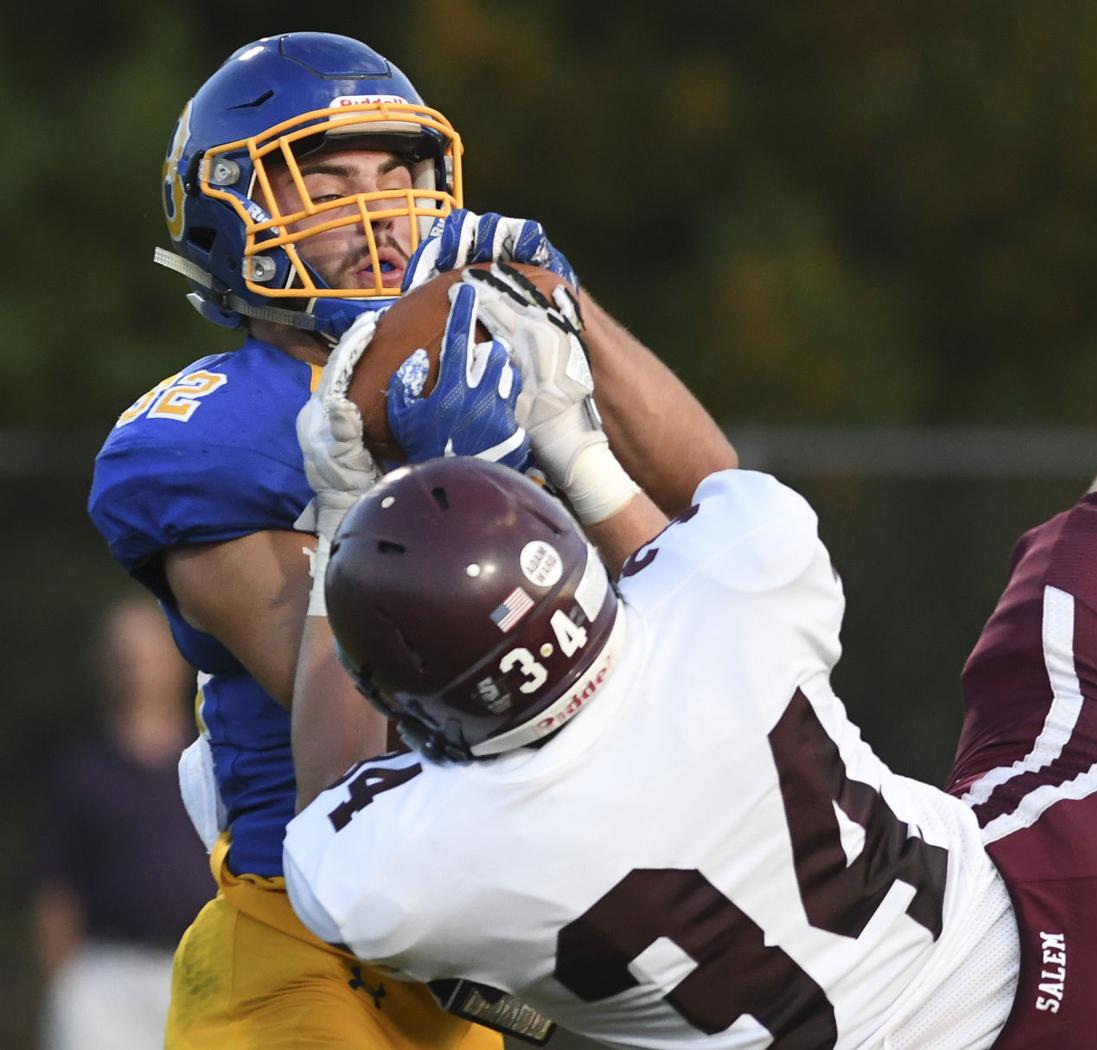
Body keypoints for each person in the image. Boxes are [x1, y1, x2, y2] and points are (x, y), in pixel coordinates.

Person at [281, 33, 1097, 1048]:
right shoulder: (724, 606)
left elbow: (330, 802)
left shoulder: (420, 870)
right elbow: (711, 500)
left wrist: (337, 517)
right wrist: (568, 380)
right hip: (1060, 956)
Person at [87, 30, 735, 1050]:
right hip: (311, 959)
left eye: (397, 176)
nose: (378, 211)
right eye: (327, 184)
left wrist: (568, 318)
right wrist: (425, 490)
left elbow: (726, 525)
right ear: (230, 214)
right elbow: (366, 756)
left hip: (499, 959)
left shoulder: (486, 357)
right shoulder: (209, 439)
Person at [31, 597, 215, 1050]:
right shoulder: (81, 774)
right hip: (106, 981)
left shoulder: (212, 765)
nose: (137, 670)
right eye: (125, 657)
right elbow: (55, 892)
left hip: (203, 973)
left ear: (177, 660)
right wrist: (65, 987)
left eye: (149, 655)